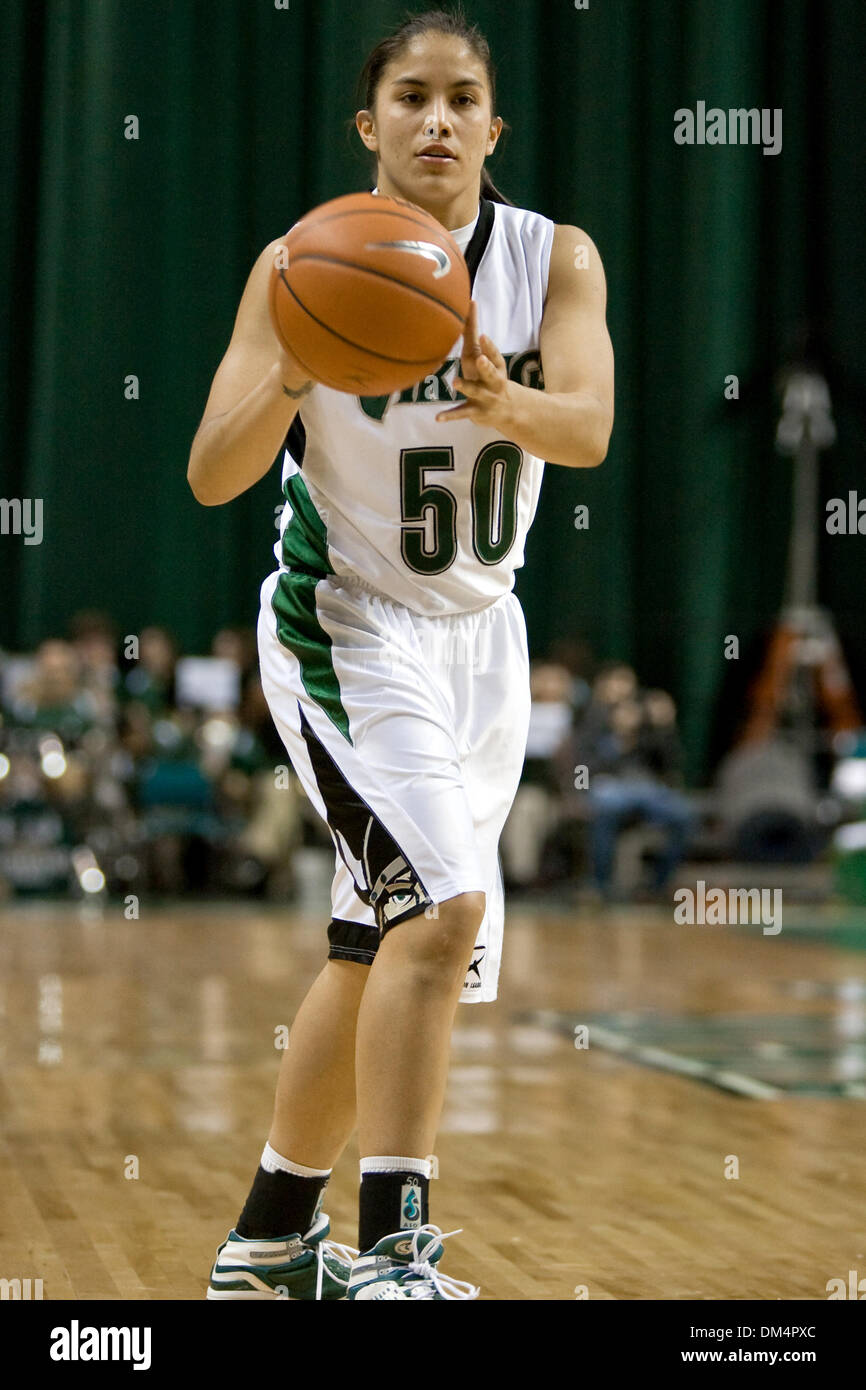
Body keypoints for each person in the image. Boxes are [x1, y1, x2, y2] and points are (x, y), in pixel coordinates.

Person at [187, 6, 613, 1301]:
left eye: (461, 98)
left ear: (494, 126)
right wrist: (294, 370)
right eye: (411, 98)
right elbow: (212, 473)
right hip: (346, 624)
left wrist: (506, 400)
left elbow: (585, 430)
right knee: (442, 909)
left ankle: (266, 1241)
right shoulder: (299, 262)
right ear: (368, 125)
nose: (437, 119)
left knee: (372, 944)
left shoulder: (556, 261)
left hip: (481, 638)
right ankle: (392, 1248)